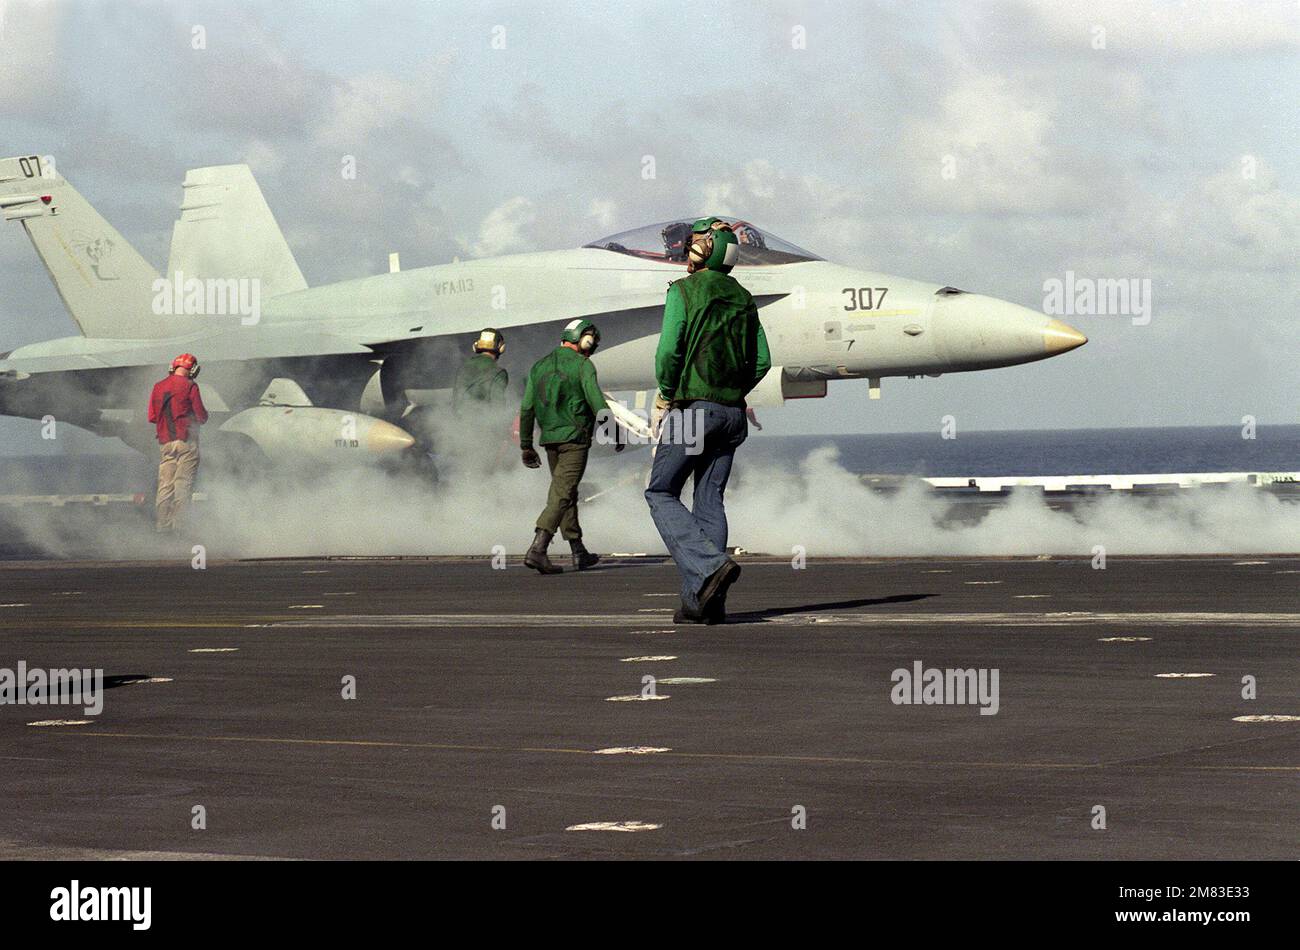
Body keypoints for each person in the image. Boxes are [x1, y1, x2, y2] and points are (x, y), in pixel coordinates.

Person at [644, 218, 770, 623]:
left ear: (707, 249)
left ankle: (710, 568)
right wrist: (733, 390)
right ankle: (703, 603)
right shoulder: (745, 298)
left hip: (692, 410)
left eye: (695, 242)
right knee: (708, 499)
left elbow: (669, 350)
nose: (687, 247)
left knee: (661, 492)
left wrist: (665, 394)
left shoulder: (683, 290)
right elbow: (763, 361)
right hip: (732, 415)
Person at [518, 319, 612, 574]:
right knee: (561, 494)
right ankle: (538, 548)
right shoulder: (583, 365)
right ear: (585, 340)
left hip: (550, 440)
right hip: (574, 440)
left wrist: (526, 445)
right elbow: (597, 402)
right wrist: (613, 430)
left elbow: (526, 408)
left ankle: (578, 551)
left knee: (566, 493)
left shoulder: (538, 366)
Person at [147, 353, 208, 533]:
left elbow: (152, 417)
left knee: (165, 485)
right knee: (183, 484)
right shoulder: (190, 386)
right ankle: (180, 528)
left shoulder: (158, 387)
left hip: (165, 443)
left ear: (172, 367)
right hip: (187, 442)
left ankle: (162, 527)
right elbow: (201, 416)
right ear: (194, 370)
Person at [452, 328, 509, 414]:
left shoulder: (463, 368)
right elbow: (498, 408)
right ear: (501, 348)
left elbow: (456, 403)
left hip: (459, 424)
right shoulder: (498, 373)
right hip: (483, 425)